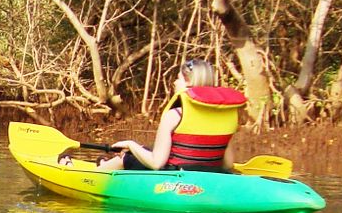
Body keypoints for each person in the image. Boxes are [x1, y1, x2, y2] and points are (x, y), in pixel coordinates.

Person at [97, 57, 247, 171]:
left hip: (175, 177)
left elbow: (156, 163)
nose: (175, 82)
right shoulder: (227, 116)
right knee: (145, 149)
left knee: (128, 156)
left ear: (188, 82)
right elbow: (227, 164)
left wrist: (130, 144)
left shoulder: (174, 115)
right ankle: (105, 163)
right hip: (208, 175)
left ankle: (99, 171)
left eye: (178, 78)